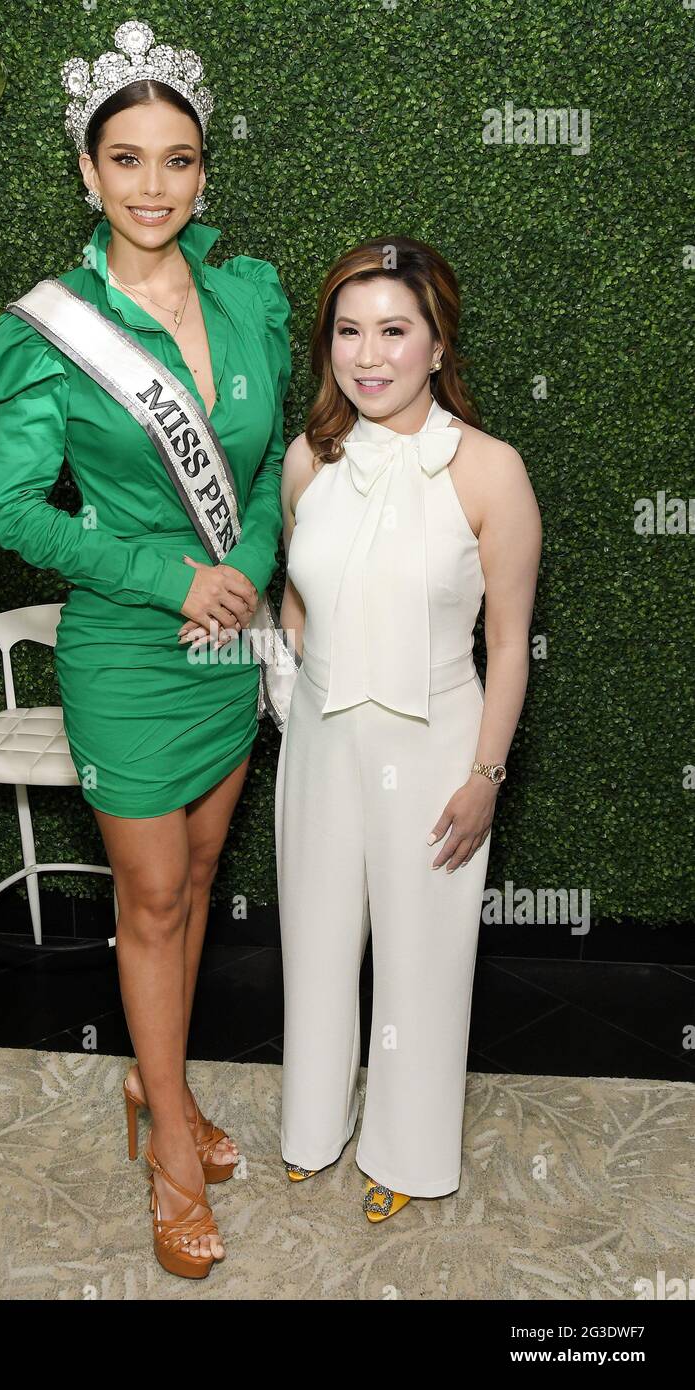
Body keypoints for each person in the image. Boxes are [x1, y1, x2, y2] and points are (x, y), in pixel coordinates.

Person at [0, 19, 292, 1278]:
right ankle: (165, 1152)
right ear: (87, 174)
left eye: (178, 159)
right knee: (152, 897)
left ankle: (164, 1086)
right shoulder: (53, 334)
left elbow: (262, 470)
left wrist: (248, 567)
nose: (154, 185)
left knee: (201, 875)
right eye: (126, 160)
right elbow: (9, 509)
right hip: (125, 645)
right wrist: (172, 574)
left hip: (228, 638)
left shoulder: (249, 292)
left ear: (204, 170)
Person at [276, 235, 541, 1220]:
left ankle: (408, 1153)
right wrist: (302, 658)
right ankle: (314, 1124)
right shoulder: (310, 458)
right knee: (314, 940)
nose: (368, 353)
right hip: (323, 742)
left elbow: (510, 645)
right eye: (349, 330)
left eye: (394, 330)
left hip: (438, 748)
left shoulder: (491, 471)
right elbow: (296, 590)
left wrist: (486, 774)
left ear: (438, 345)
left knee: (425, 962)